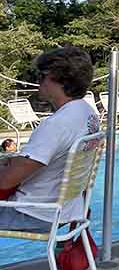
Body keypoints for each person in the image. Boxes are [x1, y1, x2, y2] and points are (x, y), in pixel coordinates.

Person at [0, 46, 100, 234]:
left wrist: (7, 166)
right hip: (68, 209)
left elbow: (6, 181)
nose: (38, 82)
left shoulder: (57, 125)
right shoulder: (88, 114)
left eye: (41, 76)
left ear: (59, 79)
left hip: (35, 213)